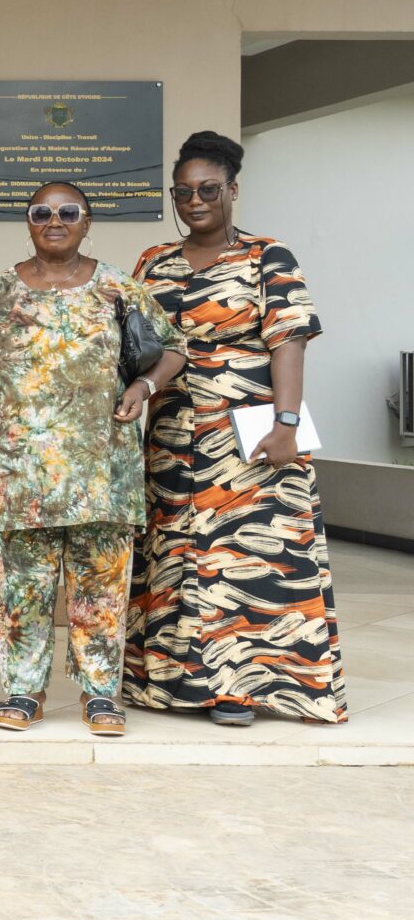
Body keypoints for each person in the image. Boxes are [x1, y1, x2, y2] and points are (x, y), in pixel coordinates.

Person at [123, 131, 348, 726]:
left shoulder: (268, 256)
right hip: (173, 429)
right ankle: (170, 685)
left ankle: (242, 691)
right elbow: (136, 343)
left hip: (250, 429)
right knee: (176, 556)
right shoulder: (154, 262)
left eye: (208, 189)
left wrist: (288, 421)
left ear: (232, 190)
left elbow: (290, 339)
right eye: (183, 192)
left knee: (250, 554)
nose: (194, 200)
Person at [0, 181, 186, 737]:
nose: (53, 220)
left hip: (102, 469)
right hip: (19, 471)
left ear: (87, 222)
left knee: (101, 586)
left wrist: (146, 388)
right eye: (41, 212)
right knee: (21, 587)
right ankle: (22, 690)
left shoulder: (116, 287)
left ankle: (100, 694)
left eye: (67, 212)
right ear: (27, 222)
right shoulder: (0, 291)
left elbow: (173, 346)